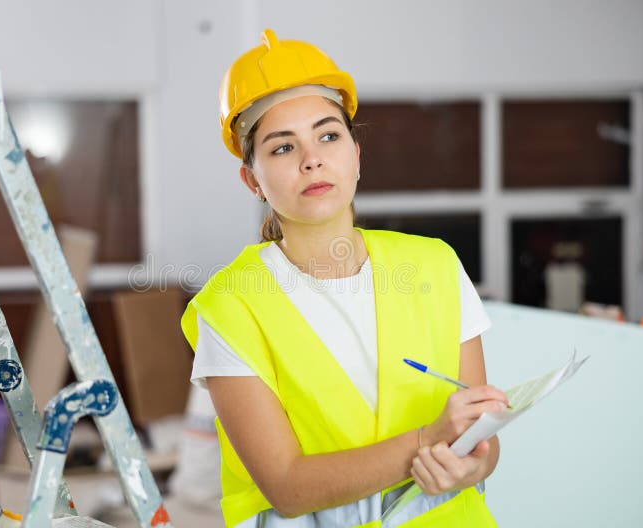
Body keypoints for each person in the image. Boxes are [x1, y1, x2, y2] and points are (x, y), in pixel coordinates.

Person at [181, 29, 508, 528]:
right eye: (282, 147)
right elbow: (287, 487)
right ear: (252, 180)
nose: (312, 159)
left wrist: (470, 467)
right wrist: (427, 441)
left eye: (328, 136)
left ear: (356, 154)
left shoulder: (435, 266)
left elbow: (484, 442)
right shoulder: (231, 306)